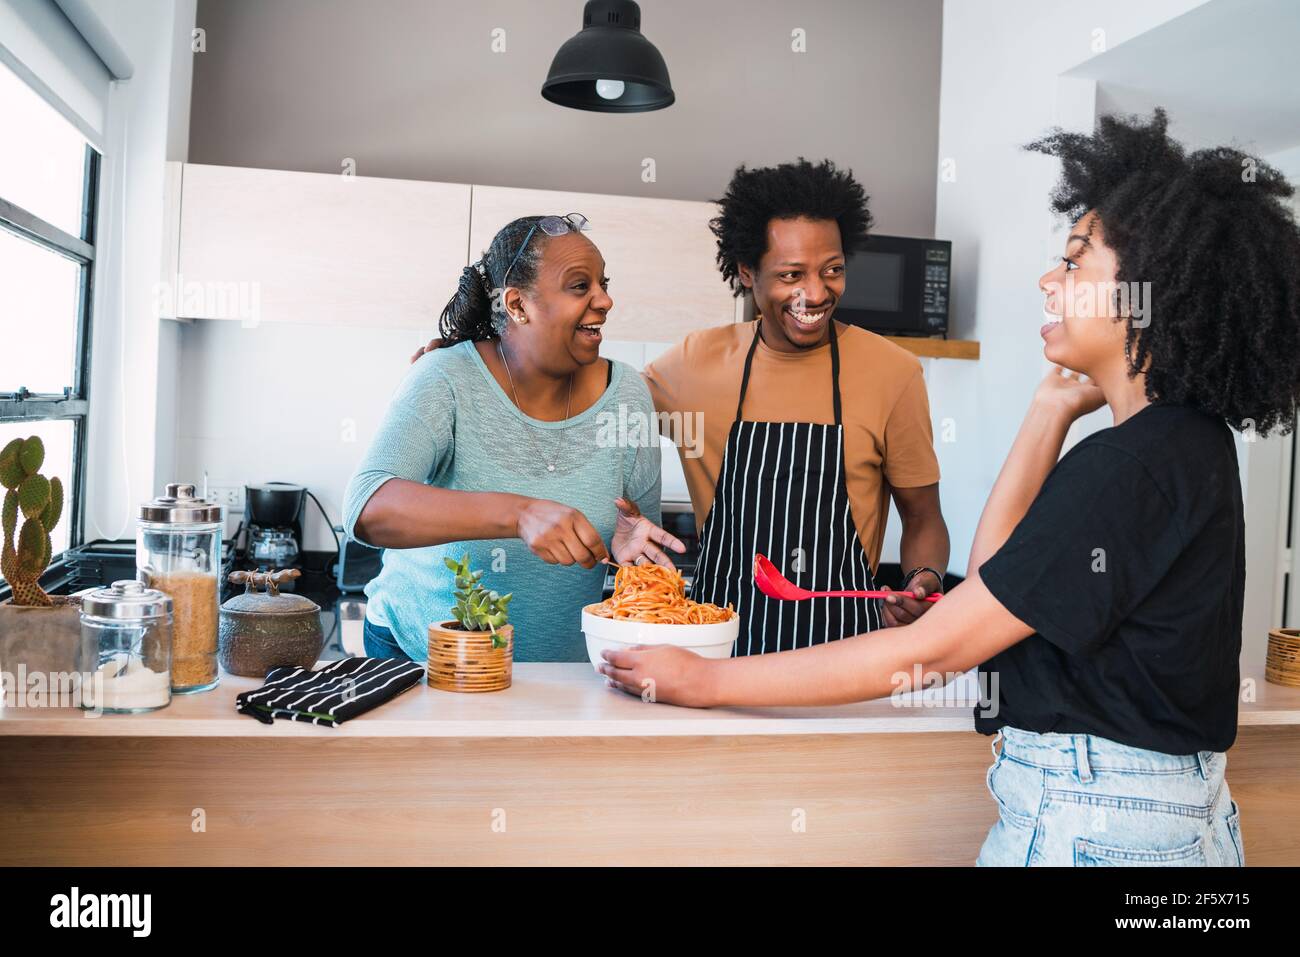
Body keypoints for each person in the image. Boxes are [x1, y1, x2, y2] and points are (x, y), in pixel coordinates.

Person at [599, 110, 1300, 866]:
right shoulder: (1173, 447)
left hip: (1099, 822)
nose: (1046, 280)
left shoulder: (1131, 466)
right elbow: (993, 586)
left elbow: (942, 642)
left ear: (1143, 294)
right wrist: (1050, 408)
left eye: (1072, 262)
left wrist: (703, 681)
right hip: (1117, 815)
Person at [415, 160, 951, 655]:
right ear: (746, 272)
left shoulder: (893, 373)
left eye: (831, 270)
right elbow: (583, 389)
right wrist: (476, 357)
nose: (815, 292)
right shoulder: (697, 361)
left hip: (842, 652)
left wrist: (922, 581)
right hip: (711, 649)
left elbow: (924, 518)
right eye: (791, 275)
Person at [344, 214, 685, 662]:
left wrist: (627, 553)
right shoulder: (446, 377)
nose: (605, 300)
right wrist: (519, 513)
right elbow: (367, 508)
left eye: (603, 283)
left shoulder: (626, 396)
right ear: (518, 305)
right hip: (424, 654)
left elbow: (642, 549)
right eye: (580, 286)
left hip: (563, 668)